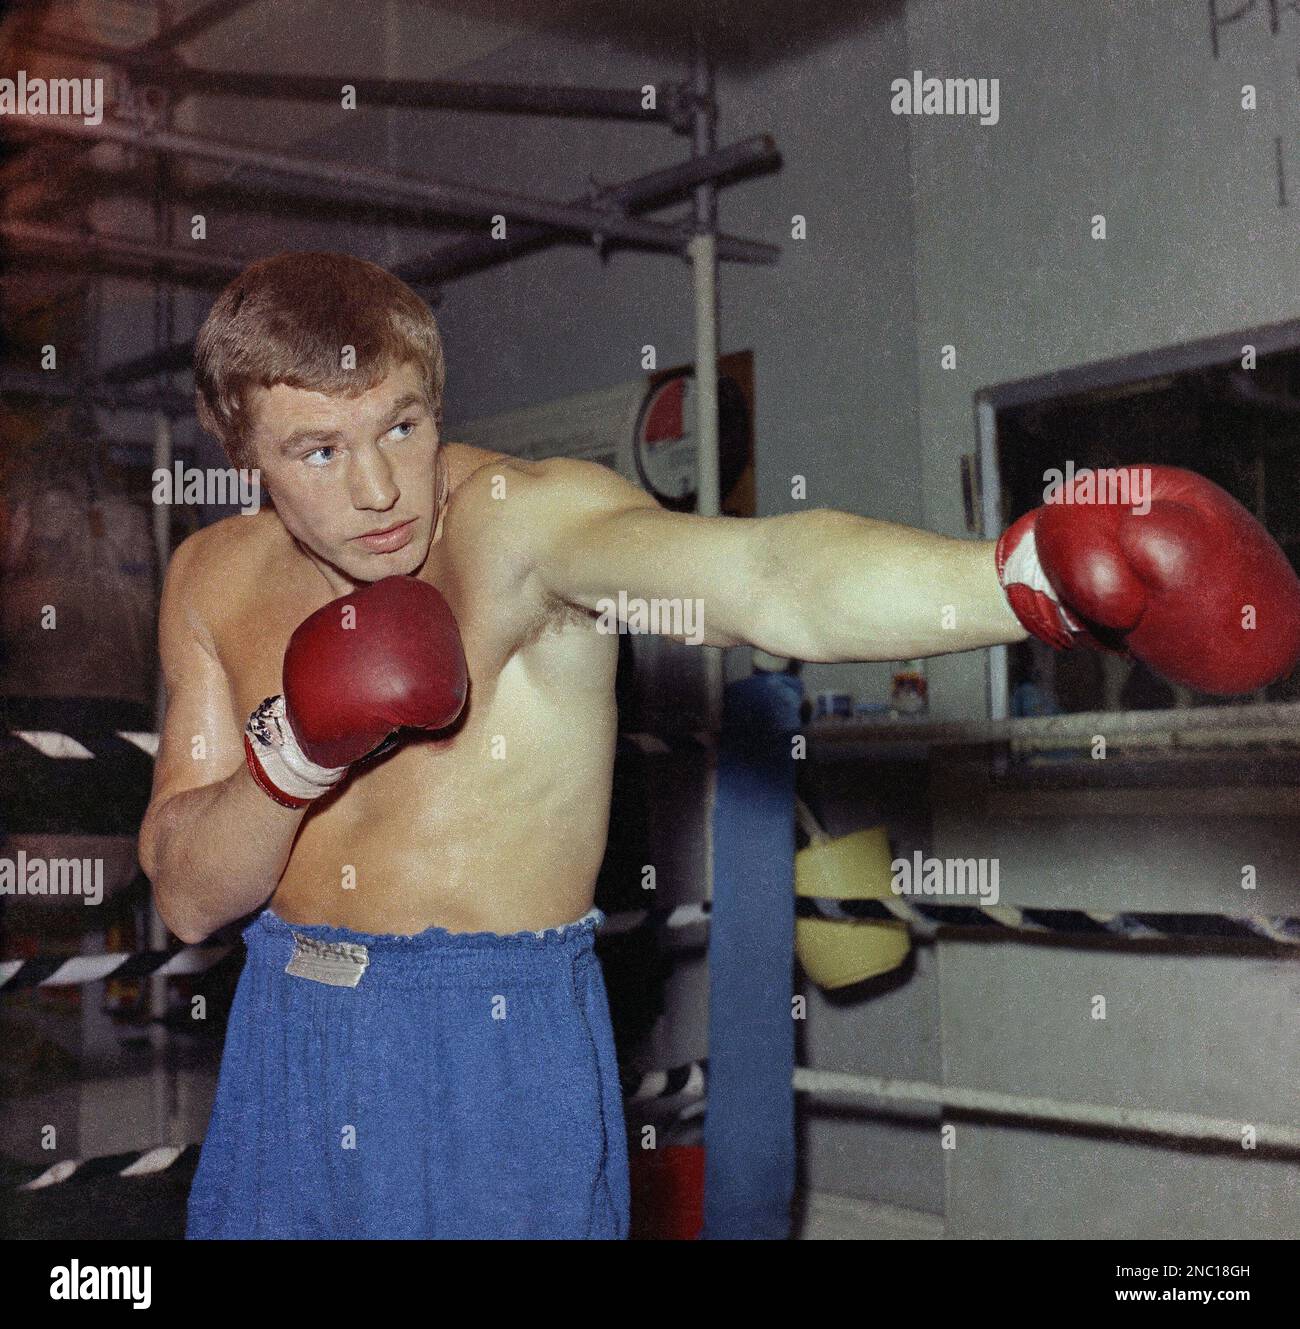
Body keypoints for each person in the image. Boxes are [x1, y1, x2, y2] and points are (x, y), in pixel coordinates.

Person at [137, 251, 1300, 1240]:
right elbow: (189, 896)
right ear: (241, 449)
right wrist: (295, 752)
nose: (383, 487)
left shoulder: (521, 527)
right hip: (286, 1033)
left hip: (488, 1044)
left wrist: (1022, 575)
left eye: (402, 423)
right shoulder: (211, 577)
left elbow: (767, 577)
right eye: (320, 452)